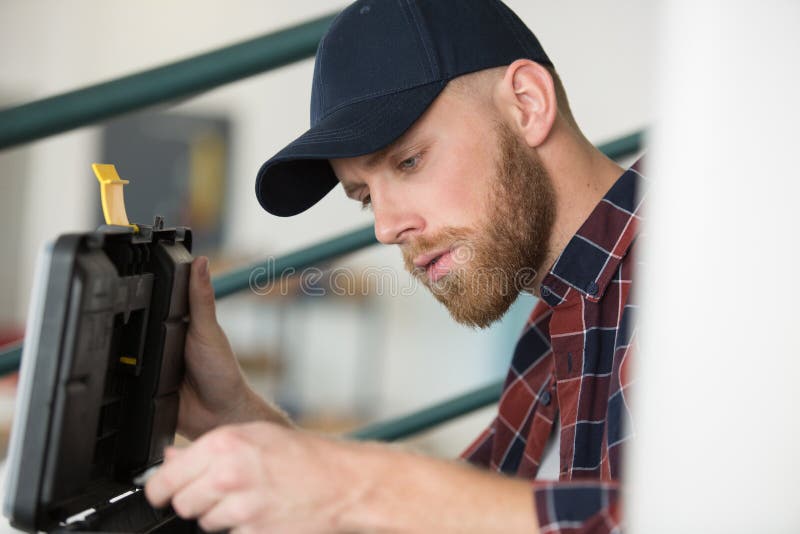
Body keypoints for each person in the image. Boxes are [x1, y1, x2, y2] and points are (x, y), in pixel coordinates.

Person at [144, 0, 643, 532]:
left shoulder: (705, 271)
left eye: (408, 161)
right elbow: (458, 520)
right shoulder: (553, 324)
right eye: (364, 196)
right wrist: (233, 414)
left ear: (526, 103)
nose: (385, 228)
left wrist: (357, 486)